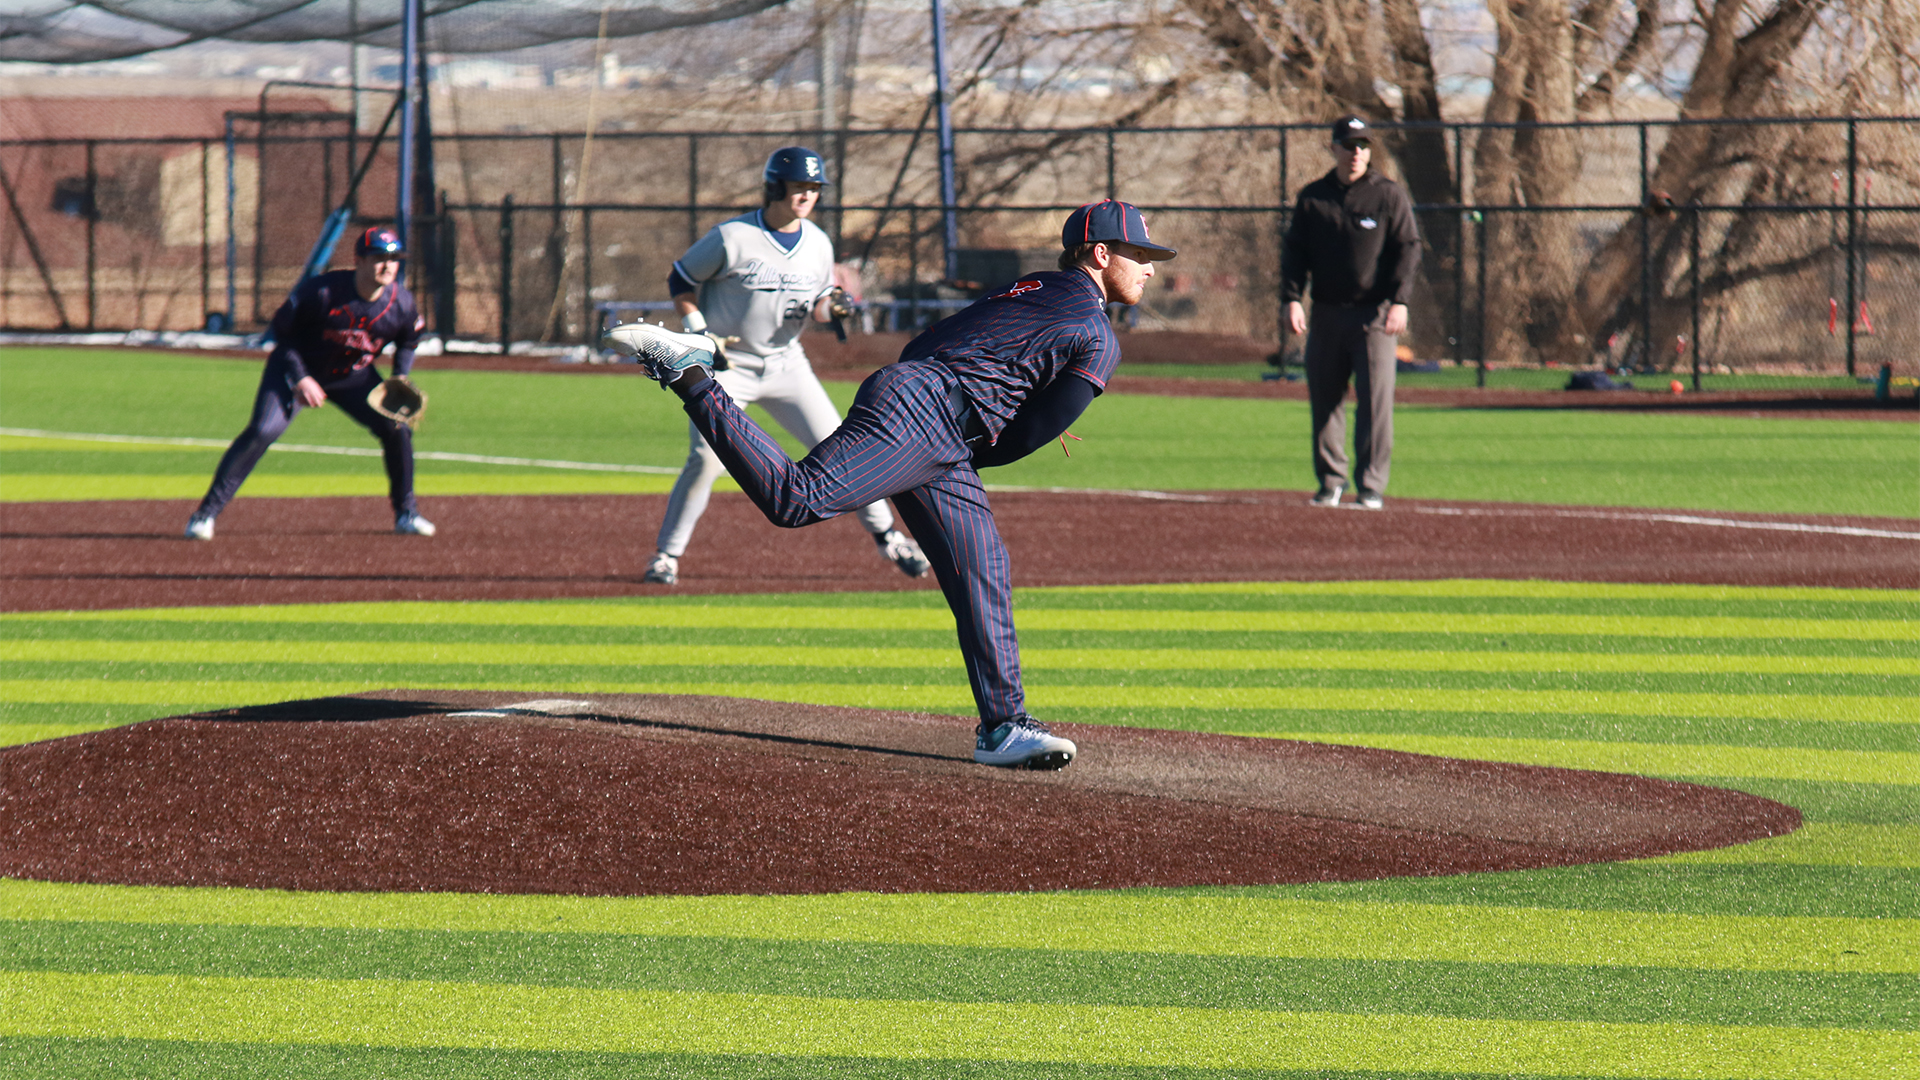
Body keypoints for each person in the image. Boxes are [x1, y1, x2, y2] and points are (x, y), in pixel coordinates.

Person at [604, 199, 1175, 770]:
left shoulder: (1033, 287)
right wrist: (953, 433)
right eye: (1140, 253)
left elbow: (925, 343)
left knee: (983, 566)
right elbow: (1030, 435)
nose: (1150, 267)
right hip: (931, 420)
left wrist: (945, 432)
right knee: (795, 498)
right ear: (1102, 254)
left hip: (929, 413)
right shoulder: (1098, 333)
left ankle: (1003, 727)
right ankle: (691, 376)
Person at [641, 145, 930, 585]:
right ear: (775, 187)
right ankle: (667, 555)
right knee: (705, 460)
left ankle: (887, 536)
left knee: (846, 446)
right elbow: (681, 278)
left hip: (786, 365)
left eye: (814, 188)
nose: (807, 195)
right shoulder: (733, 237)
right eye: (799, 186)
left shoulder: (818, 243)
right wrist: (699, 331)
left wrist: (833, 308)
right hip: (728, 367)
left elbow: (818, 305)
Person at [184, 226, 434, 539]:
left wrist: (399, 376)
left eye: (394, 259)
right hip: (295, 369)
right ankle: (204, 515)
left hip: (352, 377)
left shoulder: (401, 303)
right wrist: (301, 378)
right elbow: (283, 334)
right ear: (358, 260)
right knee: (263, 430)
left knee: (396, 428)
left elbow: (409, 340)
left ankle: (407, 514)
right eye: (378, 258)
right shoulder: (323, 292)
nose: (388, 266)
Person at [1281, 115, 1422, 511]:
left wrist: (1400, 301)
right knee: (1325, 400)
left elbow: (1409, 249)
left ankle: (1371, 486)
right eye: (1348, 144)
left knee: (1375, 403)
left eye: (1363, 145)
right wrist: (1292, 298)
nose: (1356, 152)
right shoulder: (1314, 197)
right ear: (1334, 148)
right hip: (1326, 314)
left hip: (1374, 317)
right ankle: (1331, 483)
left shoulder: (1387, 195)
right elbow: (1295, 252)